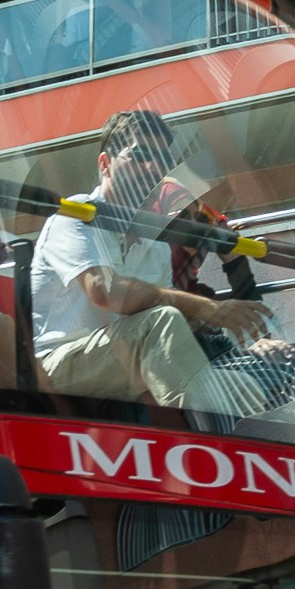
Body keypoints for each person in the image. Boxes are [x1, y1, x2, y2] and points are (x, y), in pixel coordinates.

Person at [32, 108, 267, 416]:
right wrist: (210, 308)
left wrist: (243, 338)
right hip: (58, 366)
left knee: (246, 386)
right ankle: (215, 446)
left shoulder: (153, 240)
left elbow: (171, 314)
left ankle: (272, 453)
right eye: (140, 154)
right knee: (164, 322)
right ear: (105, 164)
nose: (152, 167)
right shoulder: (76, 215)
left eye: (162, 160)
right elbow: (105, 292)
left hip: (127, 358)